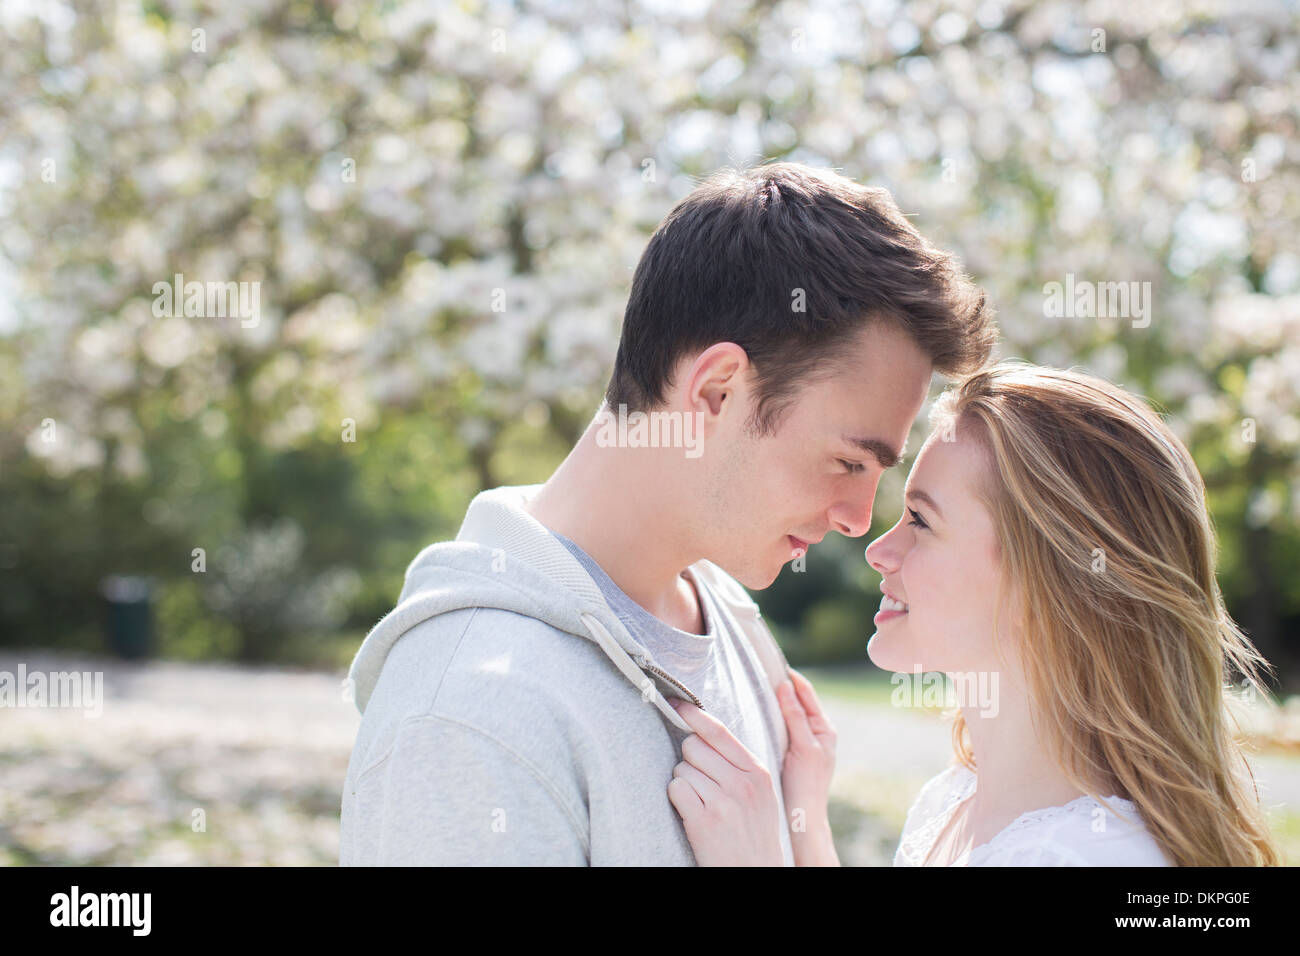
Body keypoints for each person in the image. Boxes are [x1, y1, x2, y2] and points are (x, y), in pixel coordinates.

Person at [338, 161, 996, 865]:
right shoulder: (470, 721)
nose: (859, 520)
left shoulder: (728, 619)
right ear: (716, 392)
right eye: (847, 463)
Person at [672, 362, 1280, 866]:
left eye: (921, 520)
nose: (879, 550)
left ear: (1050, 581)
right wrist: (804, 821)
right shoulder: (954, 801)